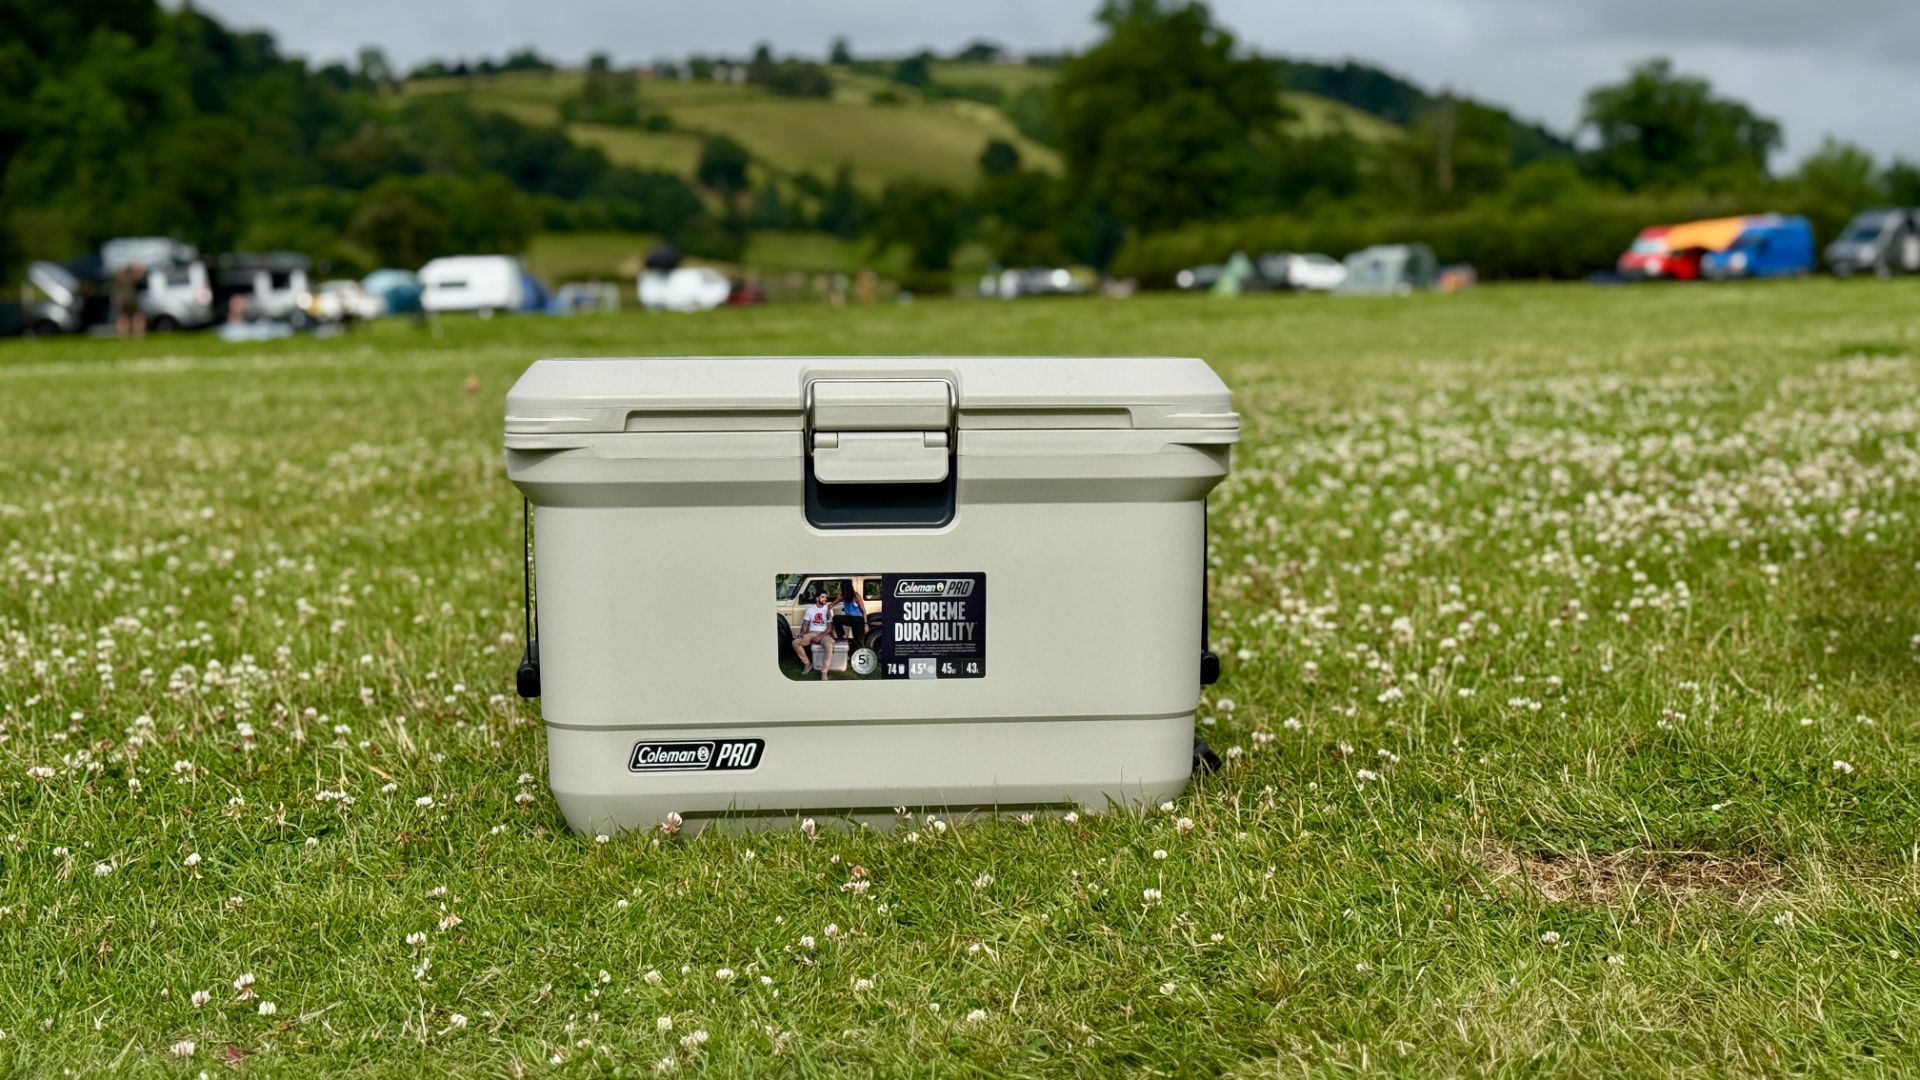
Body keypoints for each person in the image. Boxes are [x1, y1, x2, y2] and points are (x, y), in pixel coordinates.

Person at [790, 589, 835, 681]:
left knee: (829, 646)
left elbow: (829, 628)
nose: (825, 599)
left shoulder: (829, 610)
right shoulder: (810, 609)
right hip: (812, 633)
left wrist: (820, 636)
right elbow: (805, 623)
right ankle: (807, 663)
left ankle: (824, 672)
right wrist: (802, 632)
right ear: (817, 598)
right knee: (795, 642)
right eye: (822, 597)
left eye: (825, 597)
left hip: (824, 633)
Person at [112, 263, 146, 339]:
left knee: (123, 317)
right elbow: (140, 276)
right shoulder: (131, 278)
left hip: (122, 301)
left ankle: (123, 335)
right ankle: (138, 334)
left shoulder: (120, 278)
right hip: (131, 300)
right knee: (135, 317)